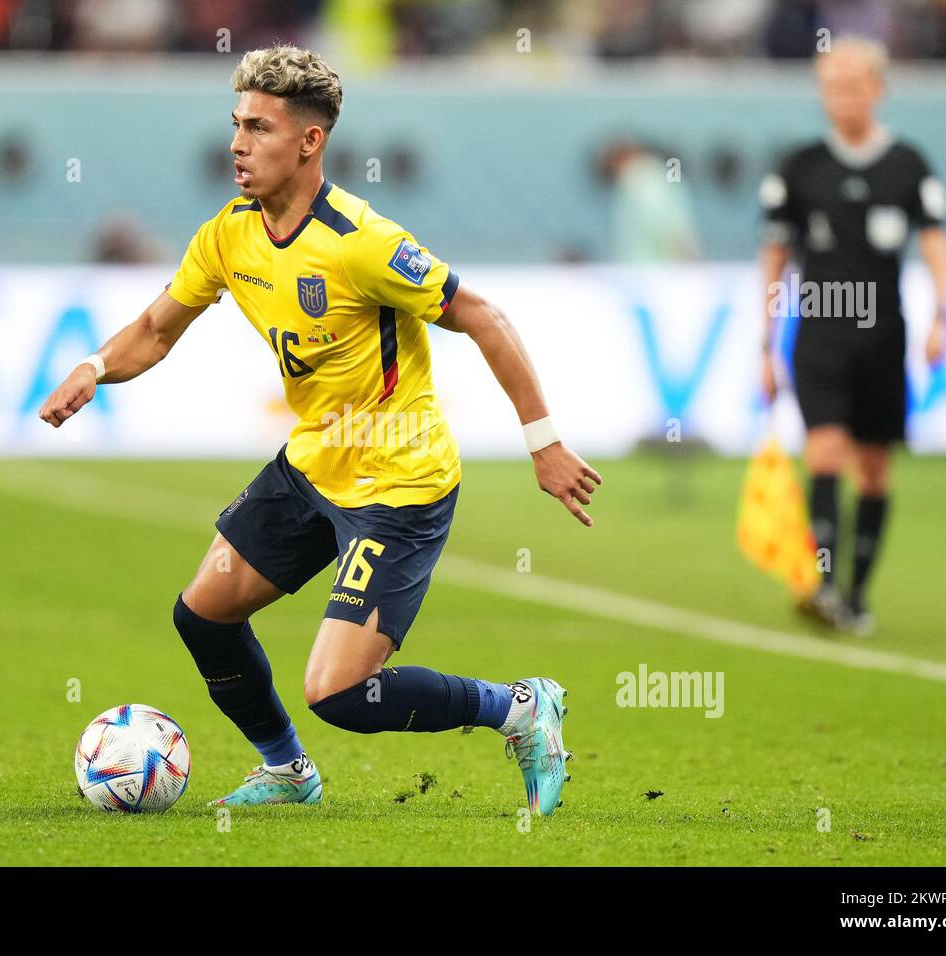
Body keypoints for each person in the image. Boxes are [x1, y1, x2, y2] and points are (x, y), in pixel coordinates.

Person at [39, 45, 600, 815]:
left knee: (337, 691)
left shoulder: (361, 241)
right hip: (311, 466)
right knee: (203, 615)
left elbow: (484, 317)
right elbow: (157, 329)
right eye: (236, 124)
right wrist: (94, 369)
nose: (238, 144)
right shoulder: (228, 236)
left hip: (398, 485)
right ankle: (288, 772)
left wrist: (544, 442)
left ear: (309, 141)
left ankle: (519, 709)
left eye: (260, 128)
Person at [759, 36, 946, 635]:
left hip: (882, 334)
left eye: (853, 84)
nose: (842, 96)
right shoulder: (798, 167)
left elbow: (935, 239)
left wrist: (943, 313)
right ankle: (821, 584)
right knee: (823, 450)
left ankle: (856, 594)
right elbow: (774, 256)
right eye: (832, 86)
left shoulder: (908, 165)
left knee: (873, 467)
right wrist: (764, 343)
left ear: (878, 88)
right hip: (818, 331)